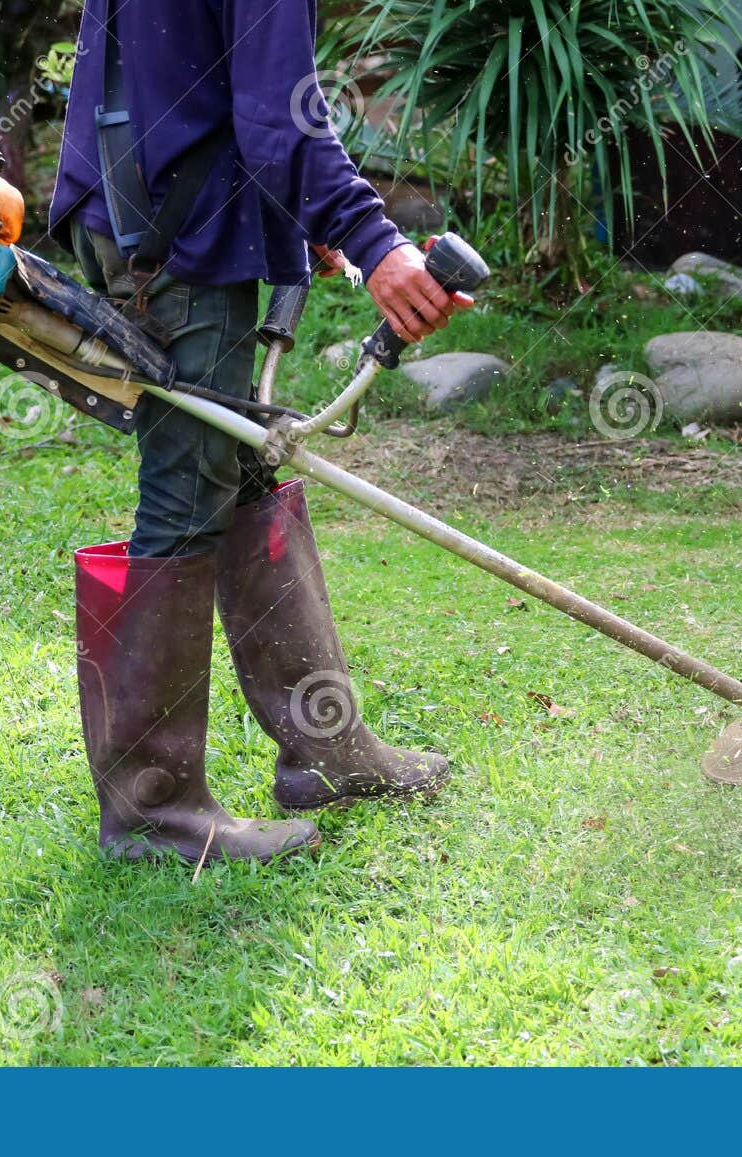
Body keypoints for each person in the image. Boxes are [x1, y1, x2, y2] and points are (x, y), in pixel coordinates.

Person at [49, 0, 471, 864]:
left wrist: (276, 214)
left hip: (126, 206)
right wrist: (375, 244)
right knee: (186, 495)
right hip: (172, 234)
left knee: (238, 469)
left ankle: (325, 749)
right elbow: (280, 114)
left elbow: (184, 71)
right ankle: (153, 810)